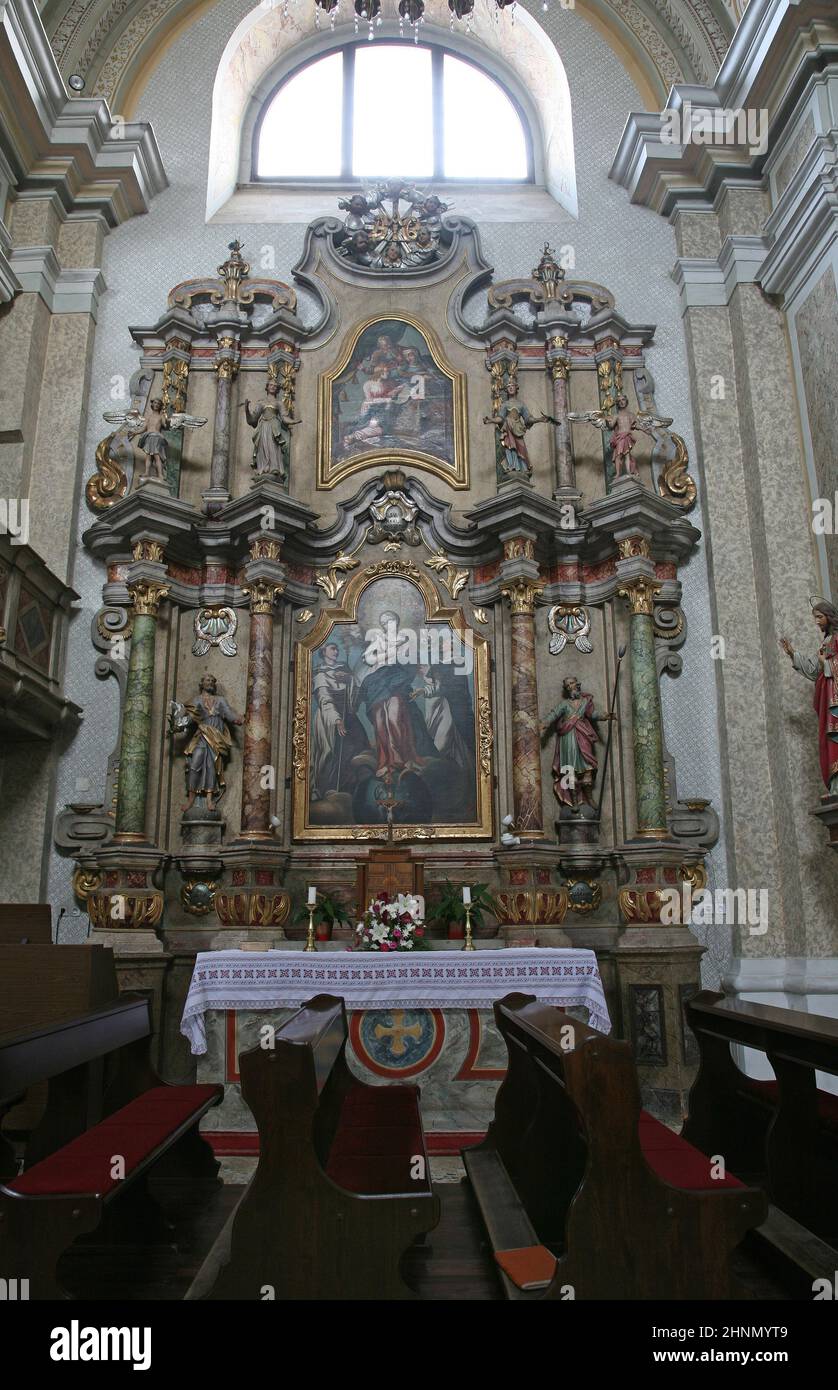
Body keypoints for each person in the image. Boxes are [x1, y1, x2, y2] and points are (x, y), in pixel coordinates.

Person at [780, 600, 838, 796]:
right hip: (826, 698)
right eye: (815, 617)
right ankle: (835, 785)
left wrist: (827, 665)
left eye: (819, 617)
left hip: (835, 699)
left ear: (829, 617)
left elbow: (825, 665)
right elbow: (814, 670)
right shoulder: (826, 642)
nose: (816, 621)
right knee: (828, 742)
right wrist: (792, 654)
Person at [541, 675, 615, 811]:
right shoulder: (564, 704)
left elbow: (593, 714)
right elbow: (554, 714)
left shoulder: (585, 702)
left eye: (572, 684)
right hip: (567, 739)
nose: (570, 687)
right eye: (567, 685)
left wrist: (605, 716)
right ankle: (574, 802)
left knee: (588, 771)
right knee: (570, 773)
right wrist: (545, 723)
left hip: (583, 736)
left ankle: (590, 798)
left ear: (577, 684)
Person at [178, 674, 243, 812]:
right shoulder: (196, 700)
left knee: (211, 766)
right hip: (202, 735)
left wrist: (238, 719)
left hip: (216, 738)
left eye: (213, 681)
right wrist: (177, 725)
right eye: (208, 680)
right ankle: (191, 798)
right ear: (202, 683)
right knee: (195, 764)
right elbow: (189, 720)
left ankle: (209, 799)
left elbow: (229, 714)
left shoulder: (220, 700)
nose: (211, 683)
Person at [311, 642, 367, 799]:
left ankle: (353, 787)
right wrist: (337, 720)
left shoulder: (344, 668)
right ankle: (329, 788)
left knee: (360, 741)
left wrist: (350, 679)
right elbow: (324, 699)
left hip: (347, 714)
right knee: (335, 751)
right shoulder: (320, 673)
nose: (336, 651)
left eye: (337, 648)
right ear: (323, 651)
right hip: (330, 717)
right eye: (332, 648)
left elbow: (358, 691)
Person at [243, 379, 298, 484]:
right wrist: (246, 410)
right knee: (262, 448)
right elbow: (253, 420)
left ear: (276, 389)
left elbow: (284, 418)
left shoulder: (278, 403)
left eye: (275, 386)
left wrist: (294, 421)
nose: (273, 387)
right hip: (263, 427)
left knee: (273, 446)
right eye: (271, 385)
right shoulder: (261, 402)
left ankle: (274, 468)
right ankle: (262, 469)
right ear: (267, 387)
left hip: (274, 427)